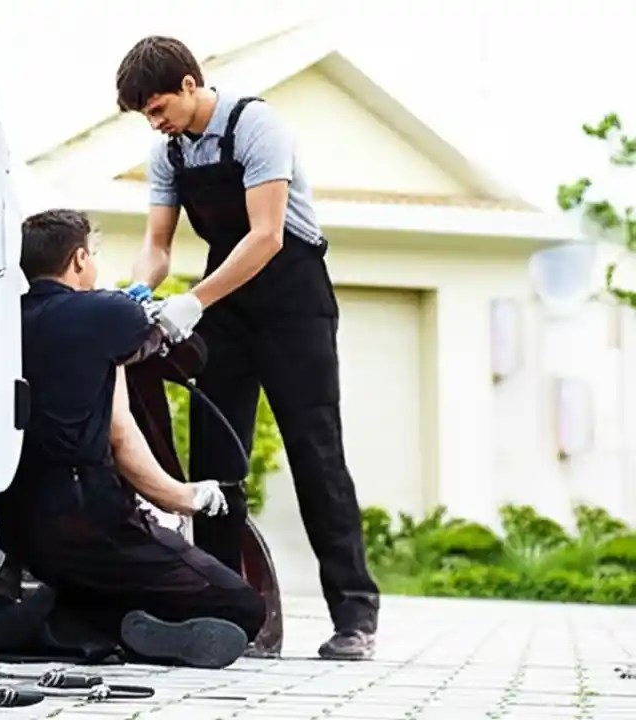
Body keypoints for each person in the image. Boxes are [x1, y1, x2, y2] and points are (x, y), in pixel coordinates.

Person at [113, 35, 380, 660]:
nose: (155, 124)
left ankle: (354, 617)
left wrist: (194, 302)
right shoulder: (170, 154)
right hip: (226, 308)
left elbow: (264, 237)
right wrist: (134, 292)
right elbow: (158, 244)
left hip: (294, 302)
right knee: (215, 460)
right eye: (146, 116)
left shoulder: (256, 124)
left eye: (158, 108)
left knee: (315, 453)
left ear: (188, 85)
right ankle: (225, 611)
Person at [0, 208, 265, 669]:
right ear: (80, 259)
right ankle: (94, 629)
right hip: (93, 520)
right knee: (242, 607)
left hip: (18, 523)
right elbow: (127, 425)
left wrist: (178, 498)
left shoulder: (1, 320)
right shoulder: (106, 313)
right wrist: (187, 498)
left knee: (91, 585)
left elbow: (117, 421)